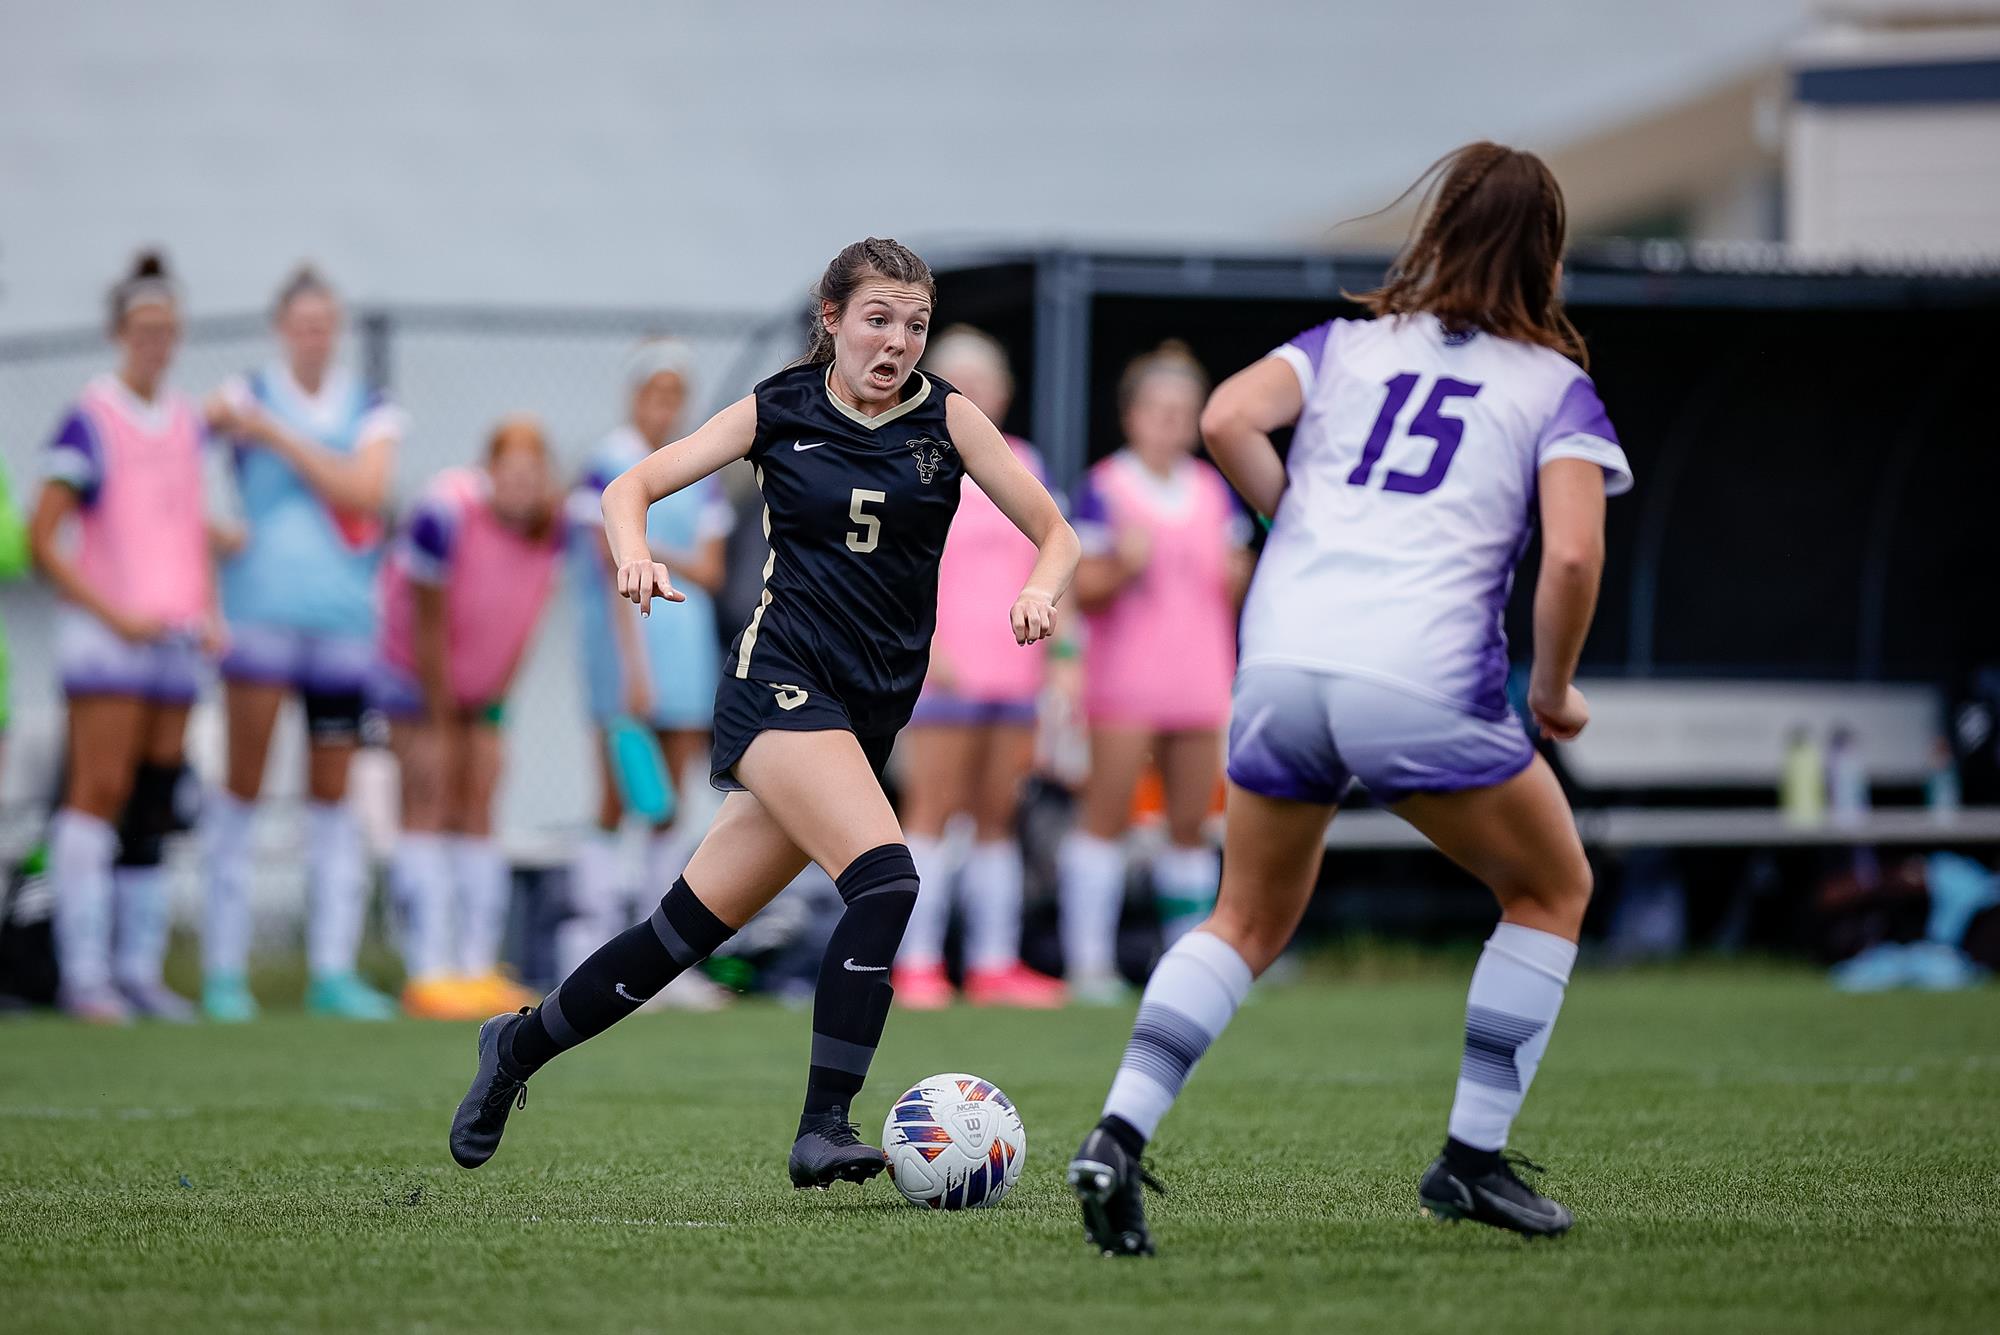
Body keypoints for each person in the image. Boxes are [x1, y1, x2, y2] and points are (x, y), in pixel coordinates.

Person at [1068, 142, 1634, 1254]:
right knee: (1549, 886)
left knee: (1242, 918)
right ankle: (1469, 1160)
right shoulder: (1548, 386)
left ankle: (1115, 1137)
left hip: (1280, 656)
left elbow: (1228, 416)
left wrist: (1300, 533)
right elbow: (1571, 561)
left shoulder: (1345, 345)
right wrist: (1554, 690)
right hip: (1416, 673)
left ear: (1434, 230)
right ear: (1543, 256)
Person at [447, 238, 1079, 1189]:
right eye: (877, 319)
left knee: (681, 934)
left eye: (914, 325)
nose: (897, 342)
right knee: (888, 881)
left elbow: (1057, 532)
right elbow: (632, 487)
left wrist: (1043, 587)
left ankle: (518, 1048)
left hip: (863, 715)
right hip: (779, 687)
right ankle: (824, 1124)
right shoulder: (783, 405)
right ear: (830, 320)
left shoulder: (948, 420)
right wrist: (632, 550)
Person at [200, 265, 405, 1022]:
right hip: (257, 620)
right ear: (281, 327)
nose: (314, 335)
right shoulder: (239, 395)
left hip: (342, 628)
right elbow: (185, 466)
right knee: (241, 791)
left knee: (331, 802)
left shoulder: (369, 407)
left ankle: (331, 969)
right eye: (302, 322)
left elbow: (364, 490)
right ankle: (224, 973)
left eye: (325, 323)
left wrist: (275, 435)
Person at [28, 251, 222, 1023]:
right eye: (144, 328)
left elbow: (193, 529)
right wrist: (114, 615)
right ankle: (83, 971)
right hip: (109, 641)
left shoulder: (185, 420)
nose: (157, 342)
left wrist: (208, 609)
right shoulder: (90, 415)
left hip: (174, 638)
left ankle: (137, 968)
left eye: (167, 330)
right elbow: (44, 537)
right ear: (118, 332)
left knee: (152, 802)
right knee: (97, 790)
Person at [1057, 343, 1251, 1002]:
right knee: (1104, 818)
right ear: (1131, 415)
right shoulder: (1106, 486)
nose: (1170, 422)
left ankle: (1186, 968)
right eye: (1158, 409)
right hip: (1125, 681)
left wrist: (1238, 576)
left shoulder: (1211, 490)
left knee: (1191, 825)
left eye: (1182, 410)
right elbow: (1081, 586)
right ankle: (1089, 965)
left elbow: (1233, 582)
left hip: (1200, 678)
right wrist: (1120, 568)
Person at [892, 326, 1066, 1010]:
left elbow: (1054, 552)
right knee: (930, 811)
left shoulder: (1025, 461)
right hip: (944, 667)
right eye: (962, 379)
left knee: (998, 814)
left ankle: (995, 963)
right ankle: (916, 964)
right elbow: (898, 565)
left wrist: (1063, 655)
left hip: (1014, 665)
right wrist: (925, 644)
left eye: (987, 380)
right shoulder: (917, 455)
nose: (977, 392)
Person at [559, 339, 731, 1010]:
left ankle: (659, 958)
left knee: (669, 805)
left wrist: (643, 542)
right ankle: (592, 947)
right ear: (635, 396)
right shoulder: (606, 459)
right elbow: (607, 570)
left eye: (675, 395)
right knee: (614, 796)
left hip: (683, 643)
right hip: (625, 646)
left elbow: (711, 570)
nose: (665, 406)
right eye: (655, 393)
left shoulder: (701, 465)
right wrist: (631, 665)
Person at [374, 418, 564, 1020]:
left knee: (478, 804)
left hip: (482, 691)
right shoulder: (443, 514)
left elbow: (525, 620)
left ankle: (477, 964)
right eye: (510, 472)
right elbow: (427, 623)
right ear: (488, 469)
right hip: (415, 681)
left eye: (533, 474)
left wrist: (491, 706)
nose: (521, 485)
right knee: (428, 798)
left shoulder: (550, 528)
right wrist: (439, 721)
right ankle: (428, 969)